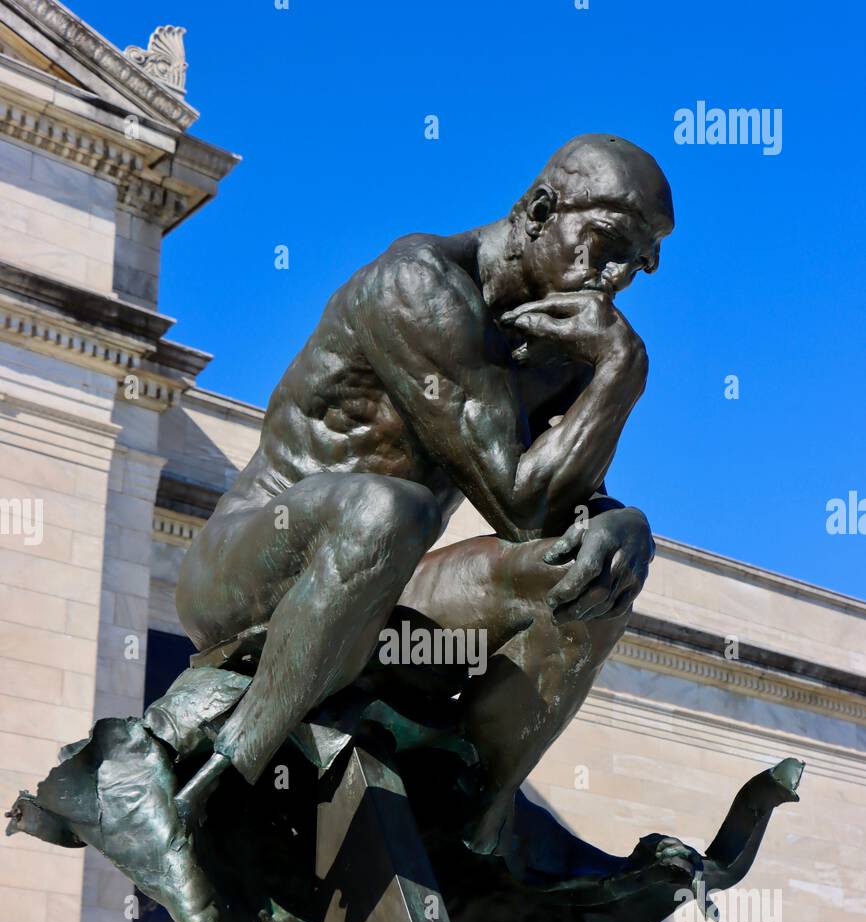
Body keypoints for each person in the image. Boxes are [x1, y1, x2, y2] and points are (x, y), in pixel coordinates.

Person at [175, 133, 674, 854]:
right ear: (540, 208)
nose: (619, 278)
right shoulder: (418, 283)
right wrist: (622, 372)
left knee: (591, 572)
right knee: (390, 506)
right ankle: (232, 769)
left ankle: (472, 826)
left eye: (641, 264)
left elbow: (560, 514)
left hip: (379, 599)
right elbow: (519, 505)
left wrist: (623, 525)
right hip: (243, 575)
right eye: (608, 245)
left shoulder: (567, 350)